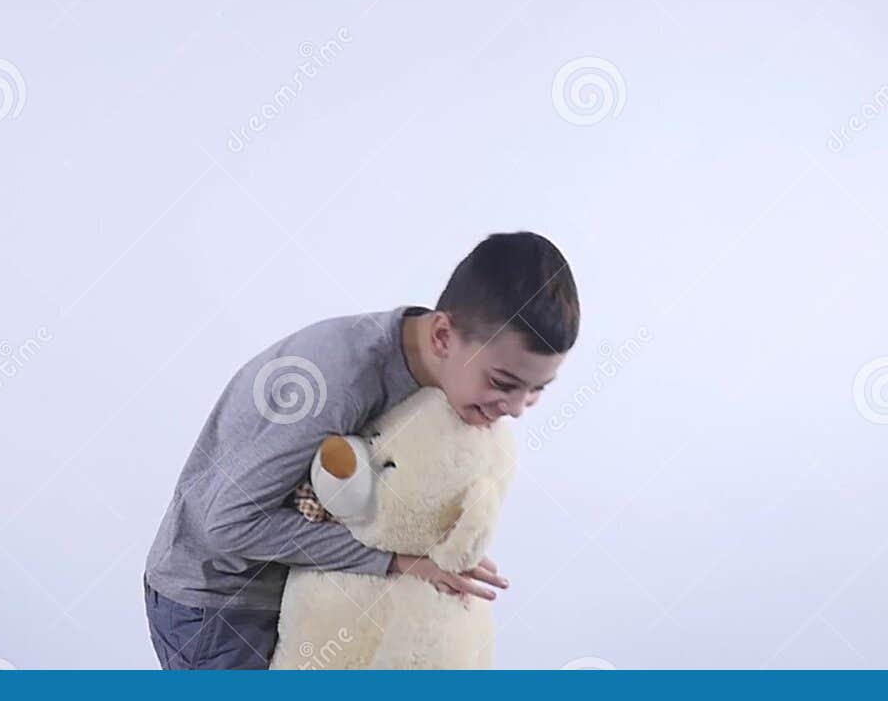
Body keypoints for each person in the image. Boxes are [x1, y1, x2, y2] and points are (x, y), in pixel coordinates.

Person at [142, 231, 580, 669]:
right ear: (443, 335)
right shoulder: (340, 380)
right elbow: (227, 525)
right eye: (503, 384)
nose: (518, 409)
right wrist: (395, 561)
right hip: (216, 602)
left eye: (536, 390)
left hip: (292, 586)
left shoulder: (440, 373)